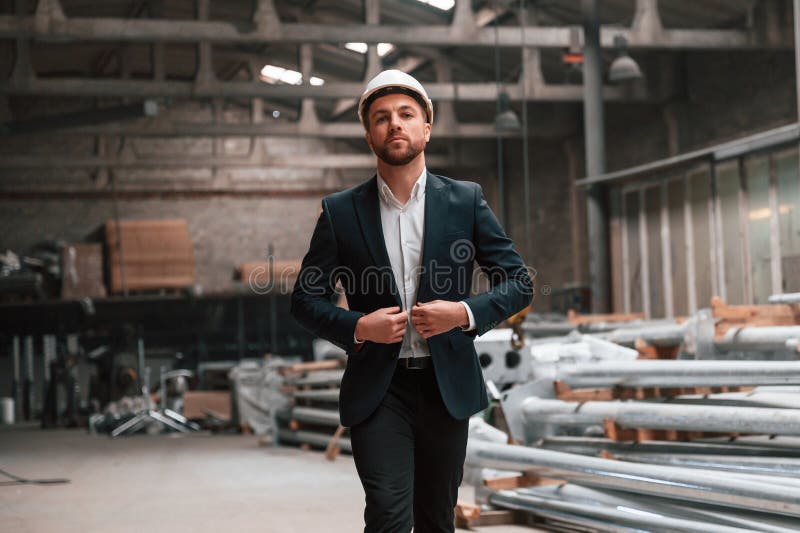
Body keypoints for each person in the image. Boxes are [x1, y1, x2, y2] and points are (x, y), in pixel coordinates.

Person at [291, 69, 533, 533]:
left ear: (427, 127)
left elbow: (518, 282)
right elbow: (305, 299)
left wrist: (462, 314)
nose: (394, 124)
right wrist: (358, 326)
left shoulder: (465, 201)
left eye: (406, 114)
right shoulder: (341, 212)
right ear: (369, 135)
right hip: (380, 390)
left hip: (446, 388)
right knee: (387, 515)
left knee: (436, 520)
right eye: (381, 118)